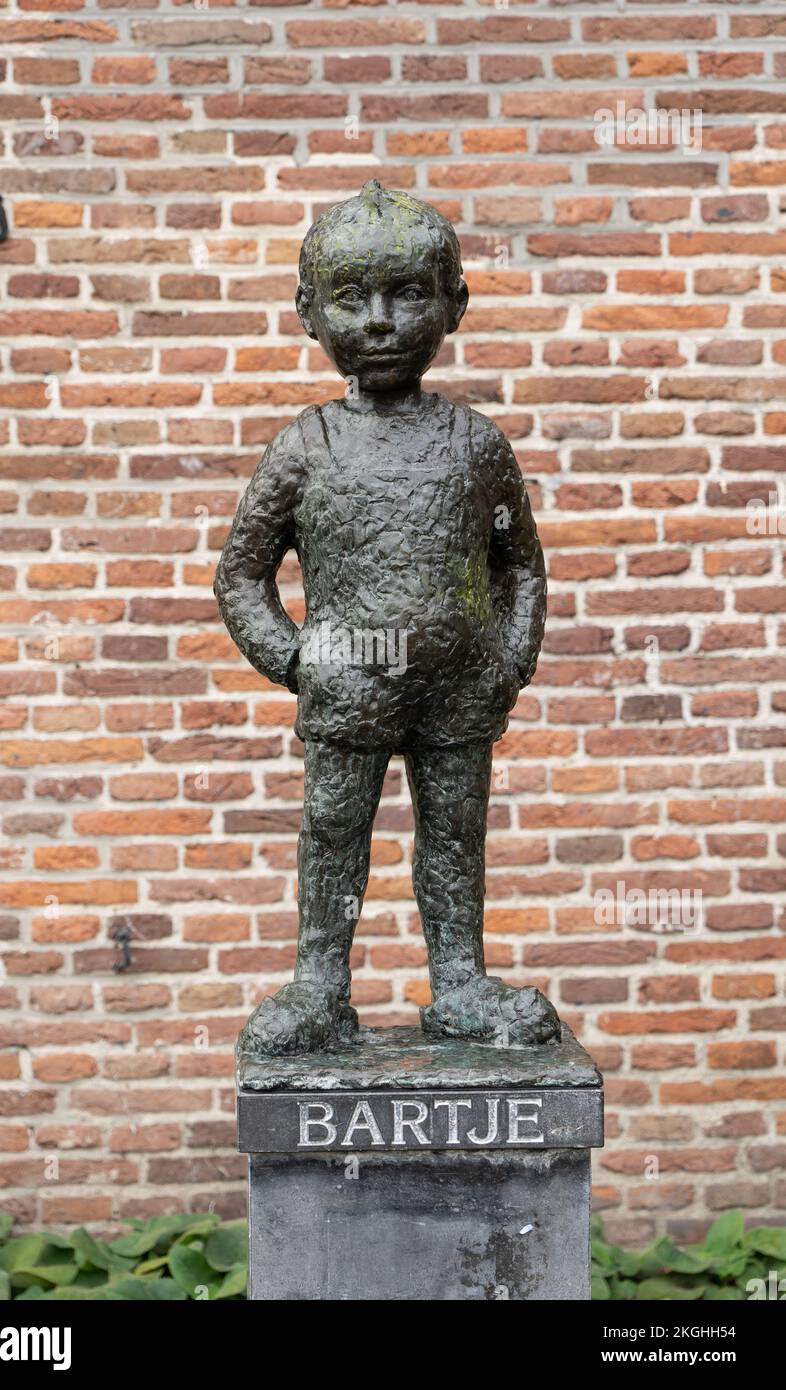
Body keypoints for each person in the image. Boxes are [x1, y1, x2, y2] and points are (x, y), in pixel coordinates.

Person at [215, 180, 560, 1054]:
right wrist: (296, 662)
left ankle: (461, 985)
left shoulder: (476, 445)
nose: (379, 321)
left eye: (408, 294)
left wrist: (511, 659)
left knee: (455, 834)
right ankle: (320, 986)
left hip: (457, 689)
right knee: (334, 832)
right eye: (351, 297)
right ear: (308, 313)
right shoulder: (306, 446)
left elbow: (520, 563)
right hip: (349, 685)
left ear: (453, 306)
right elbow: (242, 575)